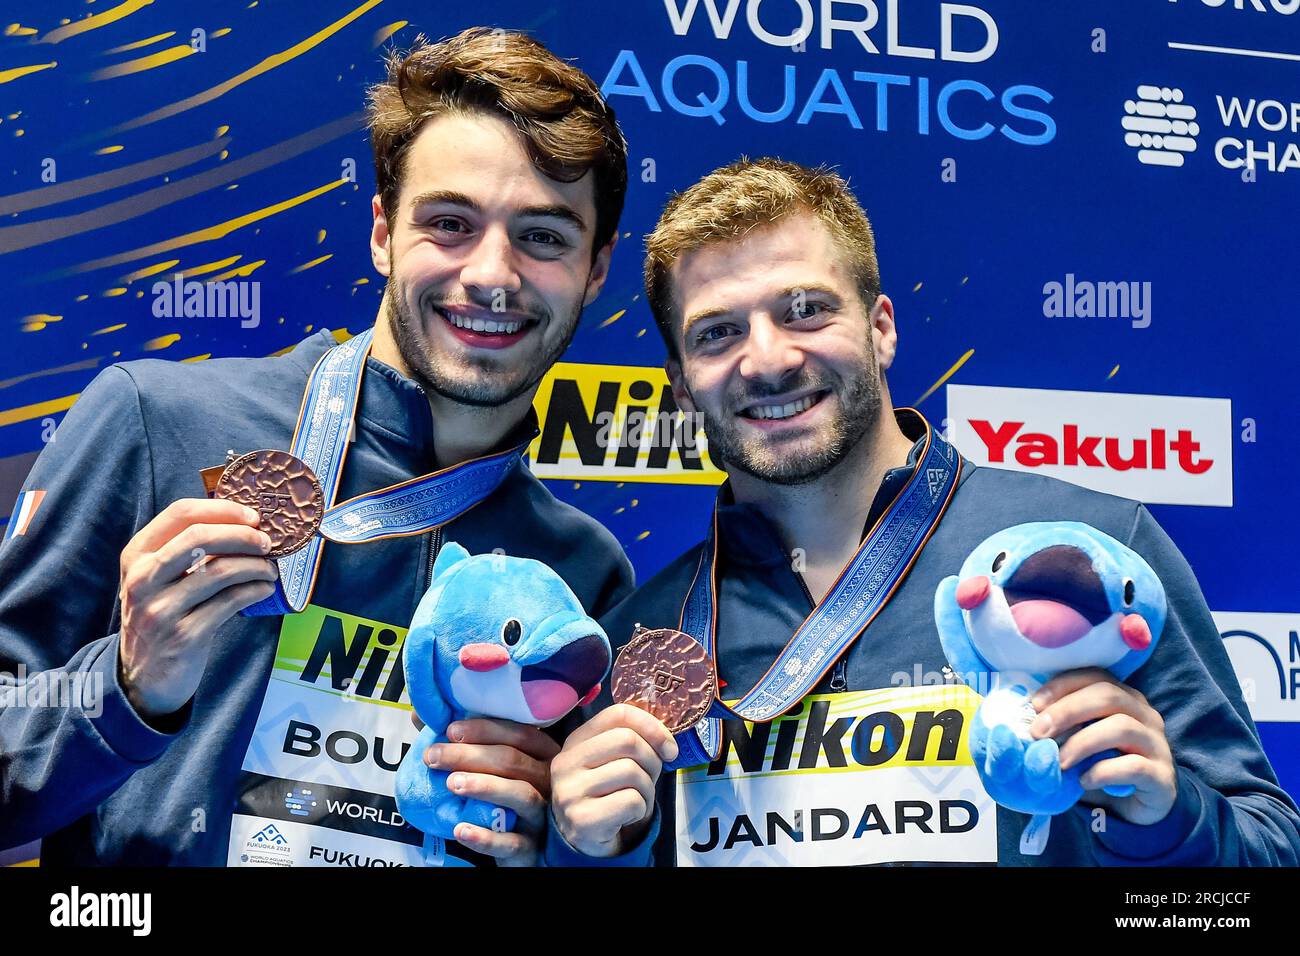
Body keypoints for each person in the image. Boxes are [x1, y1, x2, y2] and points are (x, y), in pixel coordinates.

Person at [545, 157, 1300, 866]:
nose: (768, 359)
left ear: (881, 328)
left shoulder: (1086, 555)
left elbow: (1262, 855)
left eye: (805, 310)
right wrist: (595, 851)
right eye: (719, 333)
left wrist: (1165, 817)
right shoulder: (640, 643)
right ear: (682, 386)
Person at [0, 27, 633, 867]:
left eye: (544, 237)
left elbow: (572, 838)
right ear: (381, 233)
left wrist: (536, 846)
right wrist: (126, 687)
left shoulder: (581, 573)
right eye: (450, 223)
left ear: (595, 270)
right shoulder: (155, 420)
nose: (492, 274)